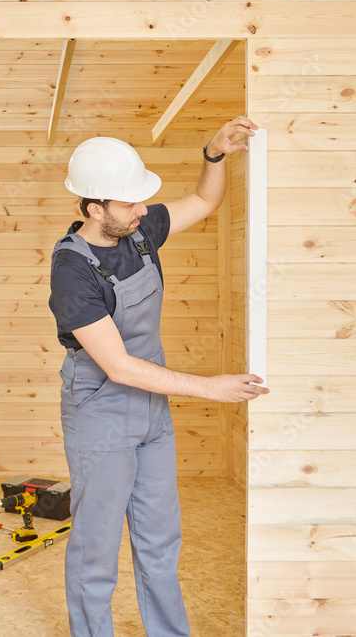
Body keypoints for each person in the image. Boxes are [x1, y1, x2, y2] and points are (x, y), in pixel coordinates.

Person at [48, 116, 270, 637]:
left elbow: (204, 202)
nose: (143, 209)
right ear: (95, 209)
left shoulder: (138, 231)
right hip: (101, 409)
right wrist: (211, 387)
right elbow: (119, 366)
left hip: (151, 408)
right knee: (97, 546)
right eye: (130, 203)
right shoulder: (72, 269)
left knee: (159, 539)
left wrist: (213, 155)